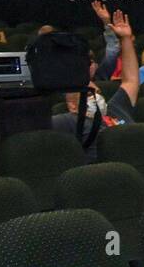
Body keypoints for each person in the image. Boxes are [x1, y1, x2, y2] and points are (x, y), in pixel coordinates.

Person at [52, 9, 138, 159]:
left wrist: (125, 39)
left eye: (96, 93)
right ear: (72, 106)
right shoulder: (70, 121)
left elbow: (131, 80)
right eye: (88, 95)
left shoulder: (116, 108)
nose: (95, 97)